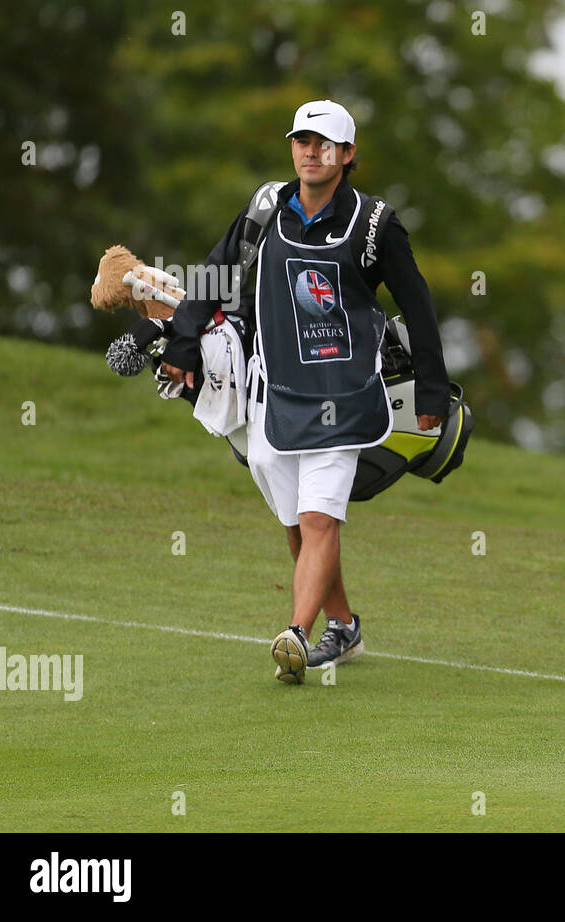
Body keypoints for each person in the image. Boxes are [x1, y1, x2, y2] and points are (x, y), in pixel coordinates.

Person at [159, 99, 450, 683]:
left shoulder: (376, 224)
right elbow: (216, 274)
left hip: (347, 399)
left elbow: (418, 307)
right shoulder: (265, 208)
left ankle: (296, 634)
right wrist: (182, 342)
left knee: (319, 521)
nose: (310, 152)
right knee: (297, 522)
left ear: (347, 155)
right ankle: (342, 626)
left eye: (323, 143)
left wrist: (432, 394)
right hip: (277, 393)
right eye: (301, 141)